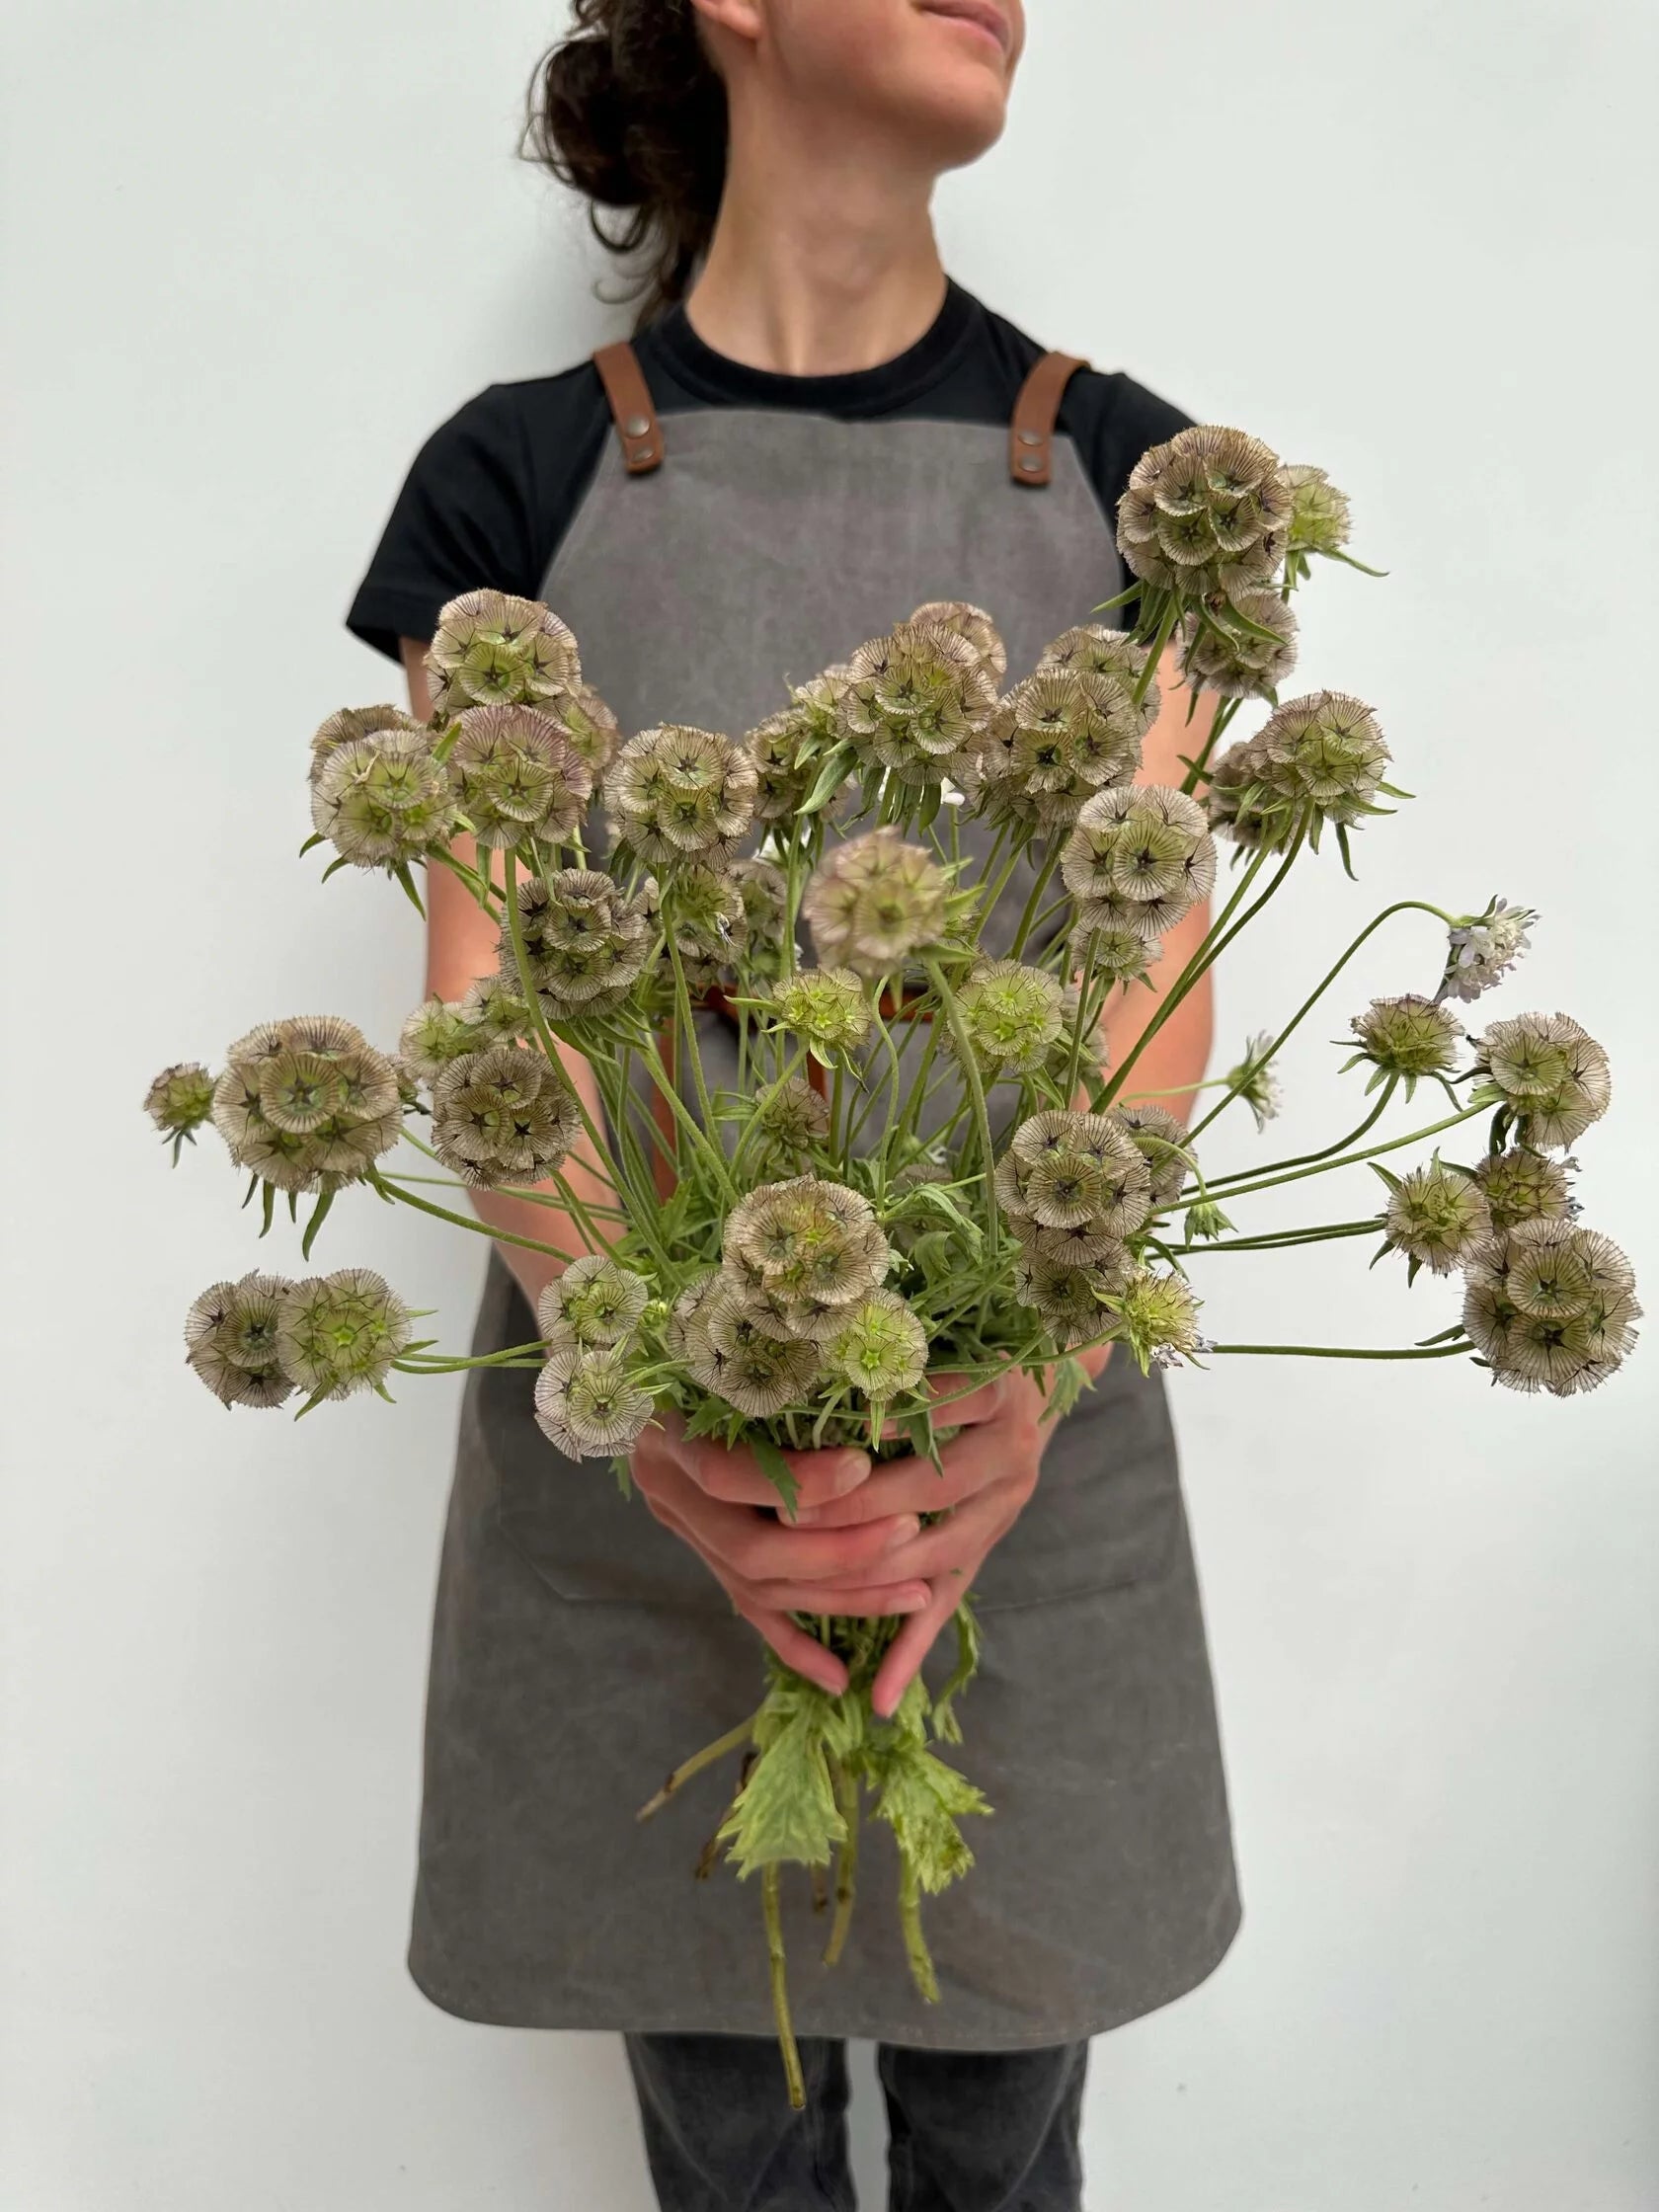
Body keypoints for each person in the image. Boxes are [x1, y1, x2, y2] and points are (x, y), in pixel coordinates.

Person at [345, 2, 1241, 2203]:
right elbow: (491, 1002)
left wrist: (1017, 1389)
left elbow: (1152, 985)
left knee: (1002, 2134)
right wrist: (669, 1413)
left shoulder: (1148, 478)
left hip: (1025, 1476)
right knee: (726, 2151)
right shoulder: (514, 477)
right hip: (645, 1475)